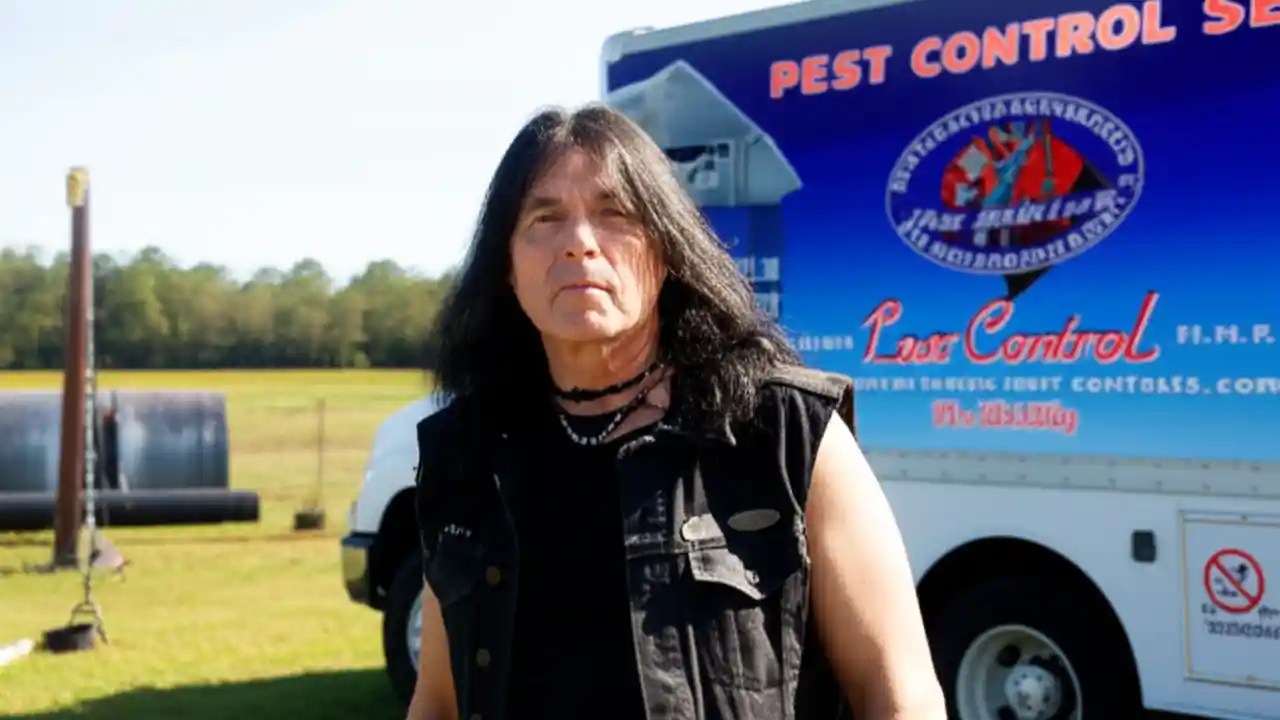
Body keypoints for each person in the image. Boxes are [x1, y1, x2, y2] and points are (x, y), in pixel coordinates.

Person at [405, 103, 945, 720]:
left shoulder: (786, 432)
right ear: (506, 265)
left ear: (665, 252)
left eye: (614, 215)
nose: (579, 244)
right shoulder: (466, 453)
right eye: (545, 218)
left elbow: (899, 693)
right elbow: (439, 699)